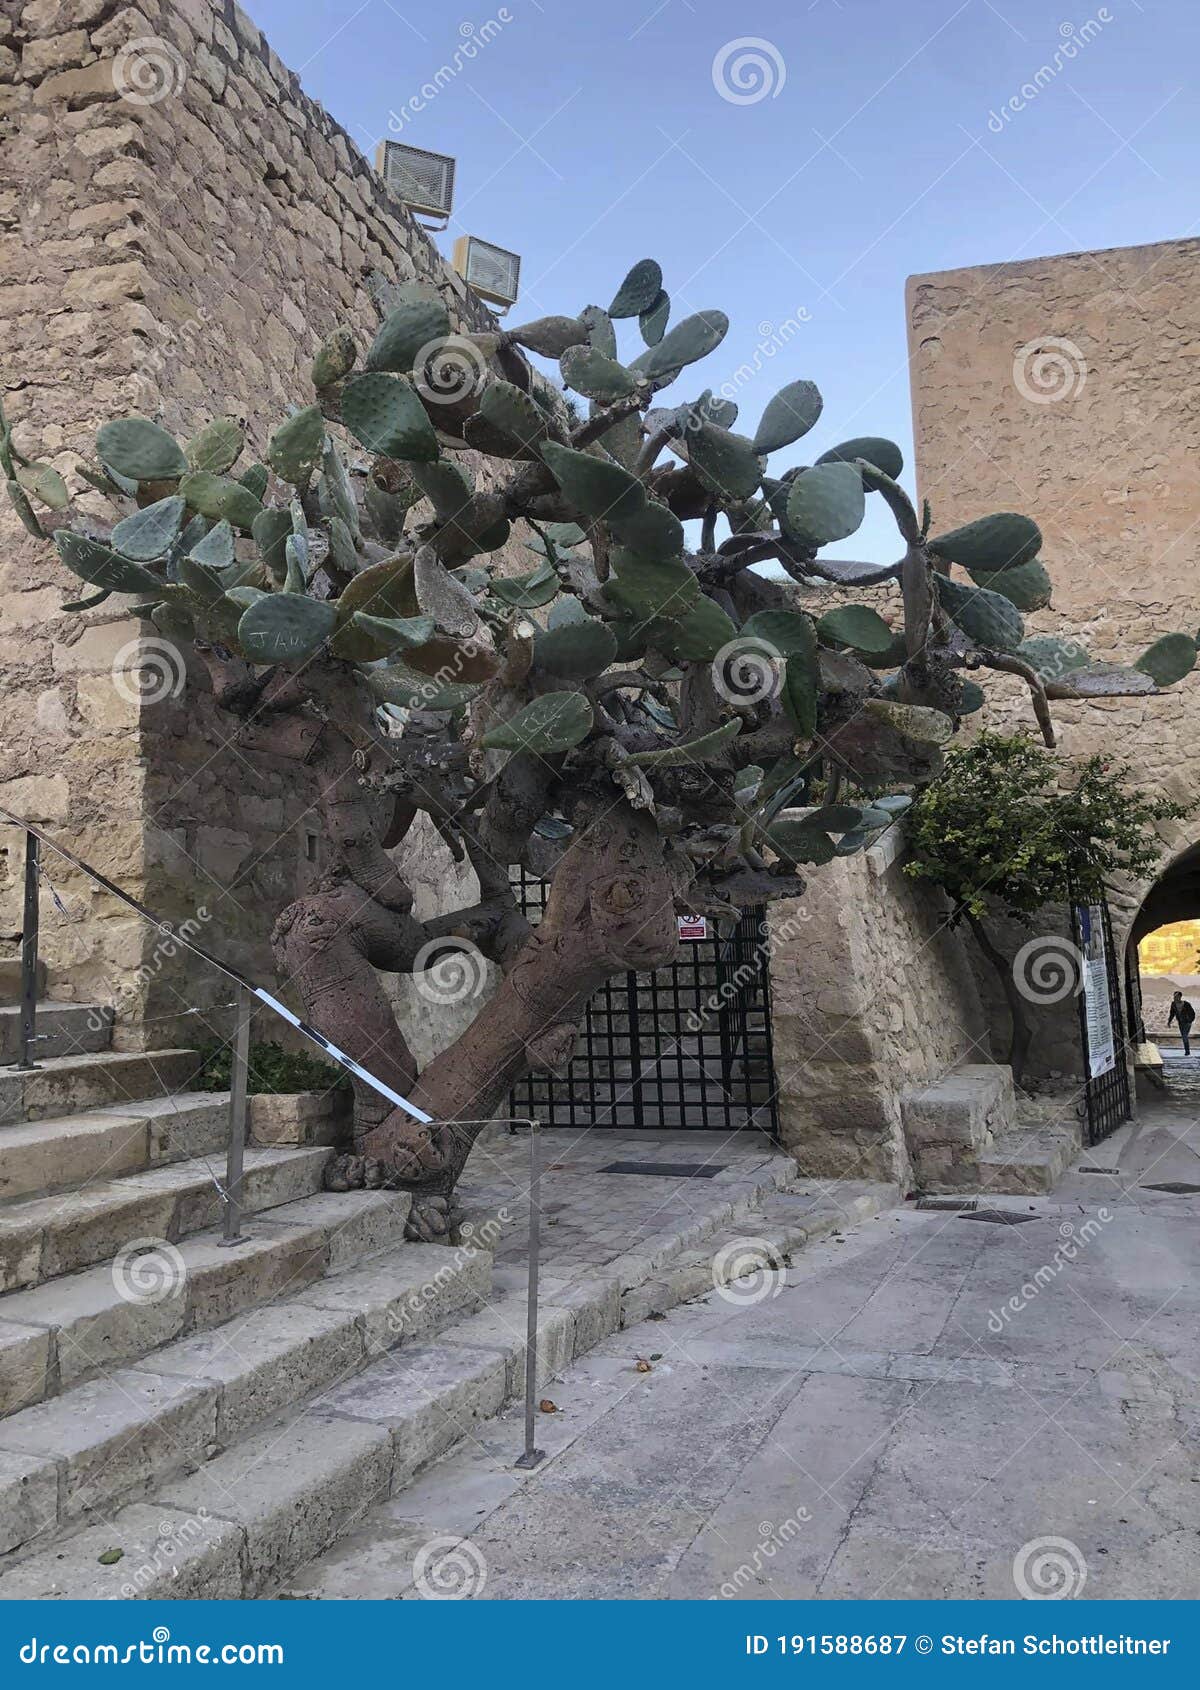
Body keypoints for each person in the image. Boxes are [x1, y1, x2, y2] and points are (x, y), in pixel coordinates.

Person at [1168, 989, 1196, 1055]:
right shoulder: (1173, 1004)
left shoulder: (1186, 1004)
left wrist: (1190, 1020)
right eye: (1174, 996)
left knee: (1184, 1036)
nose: (1175, 998)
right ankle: (1187, 1051)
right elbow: (1172, 1013)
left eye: (1176, 996)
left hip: (1187, 1023)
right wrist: (1169, 1021)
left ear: (1180, 997)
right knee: (1184, 1036)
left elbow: (1192, 1013)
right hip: (1180, 1023)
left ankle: (1187, 1051)